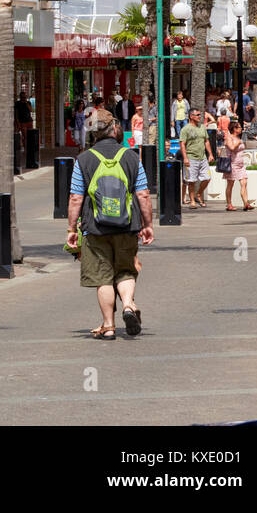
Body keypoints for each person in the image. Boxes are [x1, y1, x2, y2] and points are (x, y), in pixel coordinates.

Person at [66, 107, 153, 340]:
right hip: (127, 226)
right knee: (125, 271)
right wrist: (148, 225)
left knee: (103, 278)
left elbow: (76, 197)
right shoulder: (131, 157)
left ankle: (109, 326)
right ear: (115, 129)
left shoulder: (83, 160)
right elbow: (143, 194)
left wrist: (72, 229)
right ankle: (127, 305)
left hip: (95, 229)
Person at [179, 107, 215, 209]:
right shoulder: (185, 129)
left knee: (207, 178)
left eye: (200, 114)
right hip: (191, 158)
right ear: (191, 116)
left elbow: (206, 141)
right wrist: (185, 158)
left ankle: (198, 194)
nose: (200, 116)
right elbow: (182, 144)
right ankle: (192, 201)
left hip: (202, 158)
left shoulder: (202, 127)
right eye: (198, 115)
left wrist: (211, 154)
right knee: (191, 181)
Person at [222, 119, 256, 211]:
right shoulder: (229, 137)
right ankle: (229, 204)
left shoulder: (238, 138)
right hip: (232, 164)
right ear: (234, 129)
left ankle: (246, 203)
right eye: (240, 127)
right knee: (230, 184)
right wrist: (239, 143)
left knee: (244, 183)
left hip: (240, 164)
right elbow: (232, 147)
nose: (241, 129)